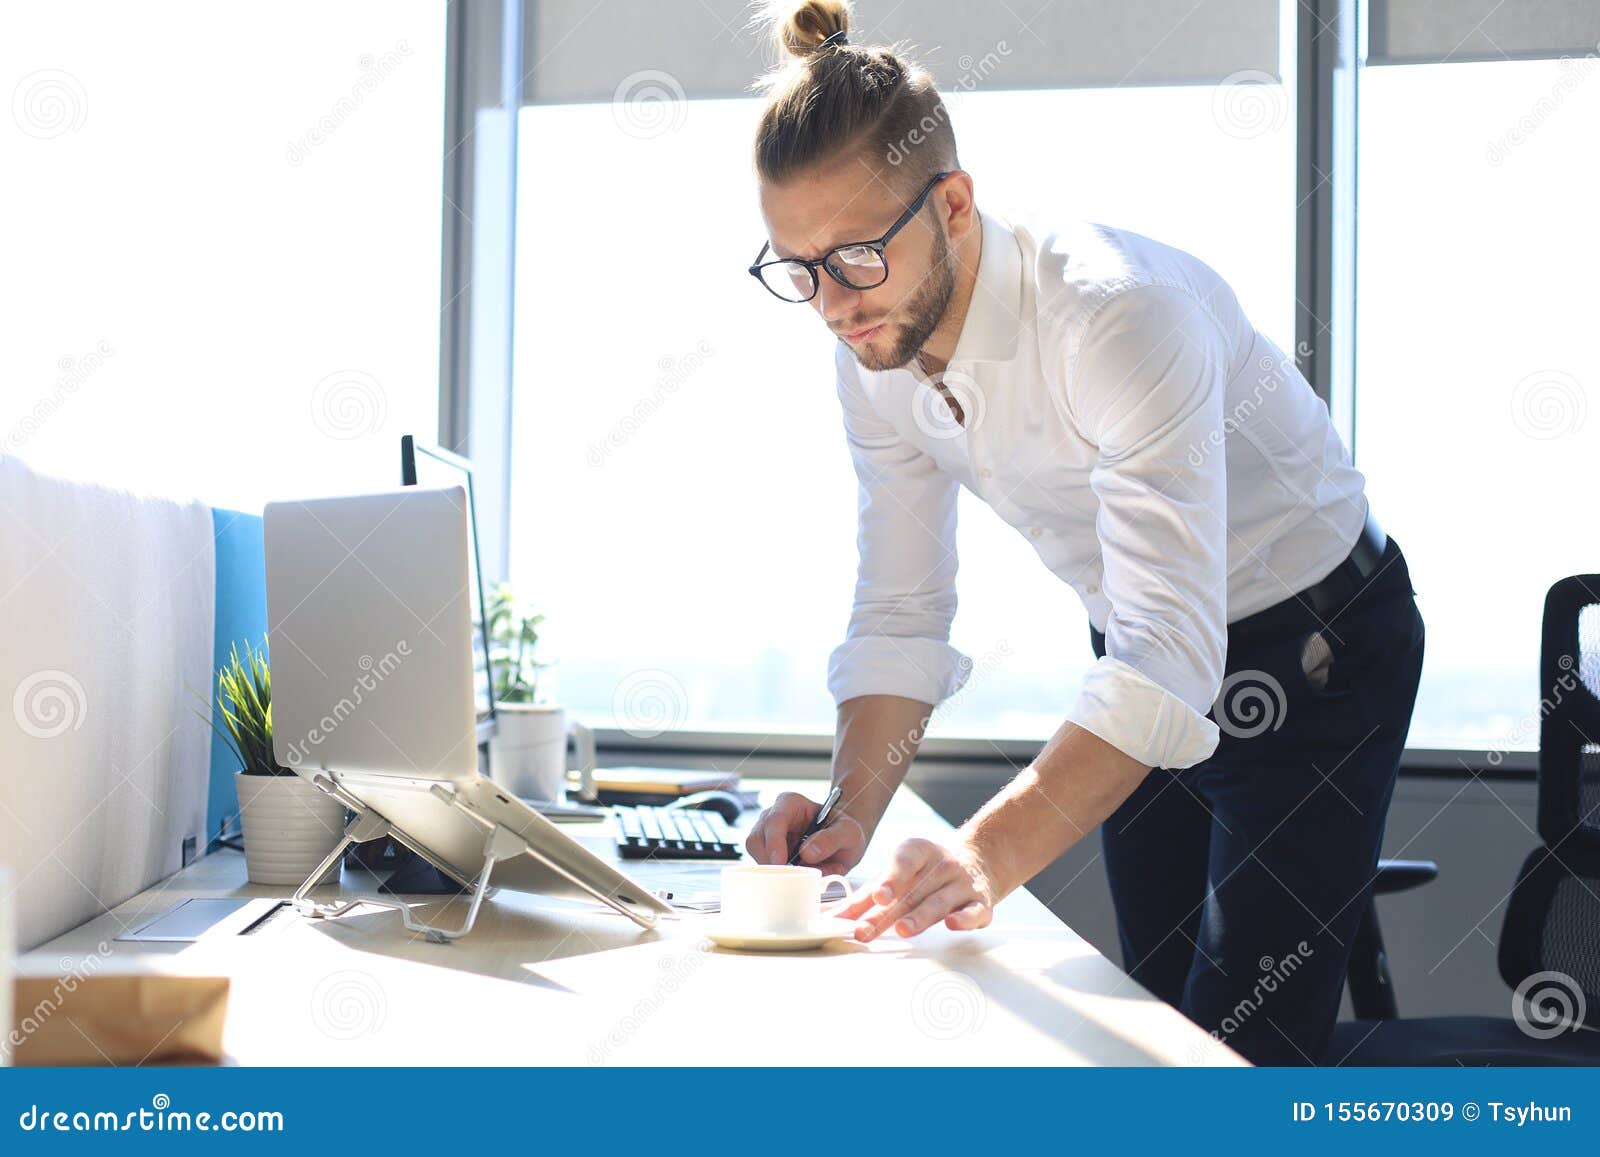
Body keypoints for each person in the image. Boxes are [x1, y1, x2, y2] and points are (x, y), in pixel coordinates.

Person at [740, 0, 1424, 1066]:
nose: (831, 302)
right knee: (1139, 1012)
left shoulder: (1115, 315)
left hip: (1318, 643)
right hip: (1140, 649)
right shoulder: (872, 354)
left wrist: (978, 854)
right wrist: (842, 825)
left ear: (954, 204)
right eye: (798, 266)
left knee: (1234, 1039)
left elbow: (1172, 656)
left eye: (858, 254)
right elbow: (901, 611)